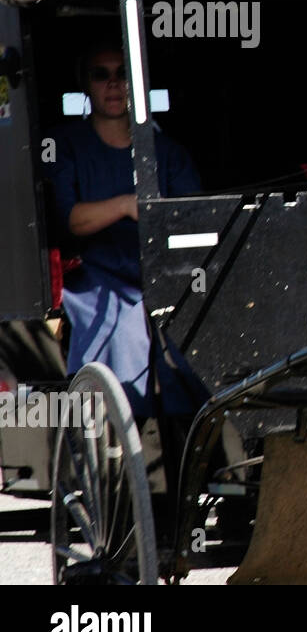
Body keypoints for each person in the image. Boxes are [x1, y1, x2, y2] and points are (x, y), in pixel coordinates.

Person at [46, 37, 203, 420]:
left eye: (124, 74)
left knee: (196, 351)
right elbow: (71, 219)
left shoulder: (168, 151)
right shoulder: (64, 144)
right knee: (123, 351)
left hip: (167, 278)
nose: (114, 84)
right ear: (84, 83)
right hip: (98, 279)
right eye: (101, 75)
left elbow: (195, 218)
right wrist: (126, 205)